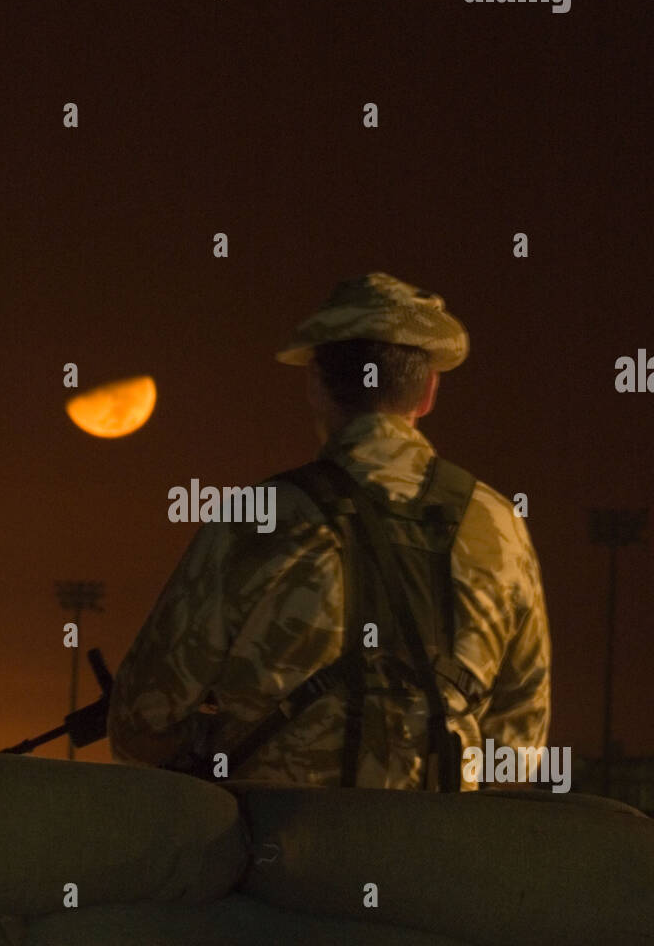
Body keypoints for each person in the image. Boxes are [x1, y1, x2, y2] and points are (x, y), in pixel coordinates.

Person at [108, 272, 550, 790]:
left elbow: (141, 723)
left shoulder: (259, 518)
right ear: (429, 391)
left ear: (317, 384)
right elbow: (518, 747)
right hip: (442, 837)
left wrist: (223, 743)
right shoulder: (498, 525)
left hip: (279, 835)